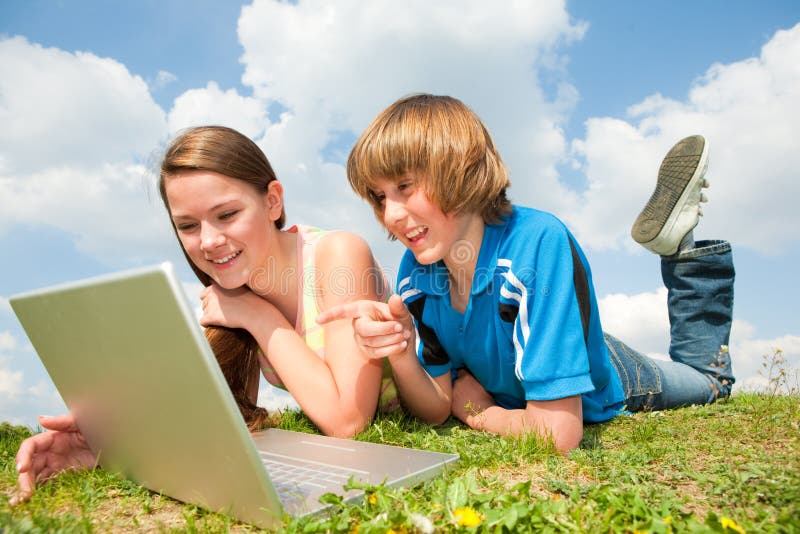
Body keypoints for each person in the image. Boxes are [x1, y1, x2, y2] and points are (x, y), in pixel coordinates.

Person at [317, 94, 735, 453]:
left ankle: (685, 251)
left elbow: (557, 433)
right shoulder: (416, 272)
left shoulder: (537, 243)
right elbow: (437, 404)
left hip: (609, 370)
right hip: (541, 350)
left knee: (708, 381)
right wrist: (402, 352)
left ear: (458, 169)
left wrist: (481, 413)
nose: (389, 215)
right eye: (379, 197)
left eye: (405, 187)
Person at [12, 125, 397, 504]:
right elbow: (227, 423)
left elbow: (349, 422)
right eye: (188, 225)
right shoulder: (232, 297)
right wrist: (97, 447)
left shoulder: (337, 254)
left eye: (227, 214)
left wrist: (259, 316)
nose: (209, 241)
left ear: (272, 201)